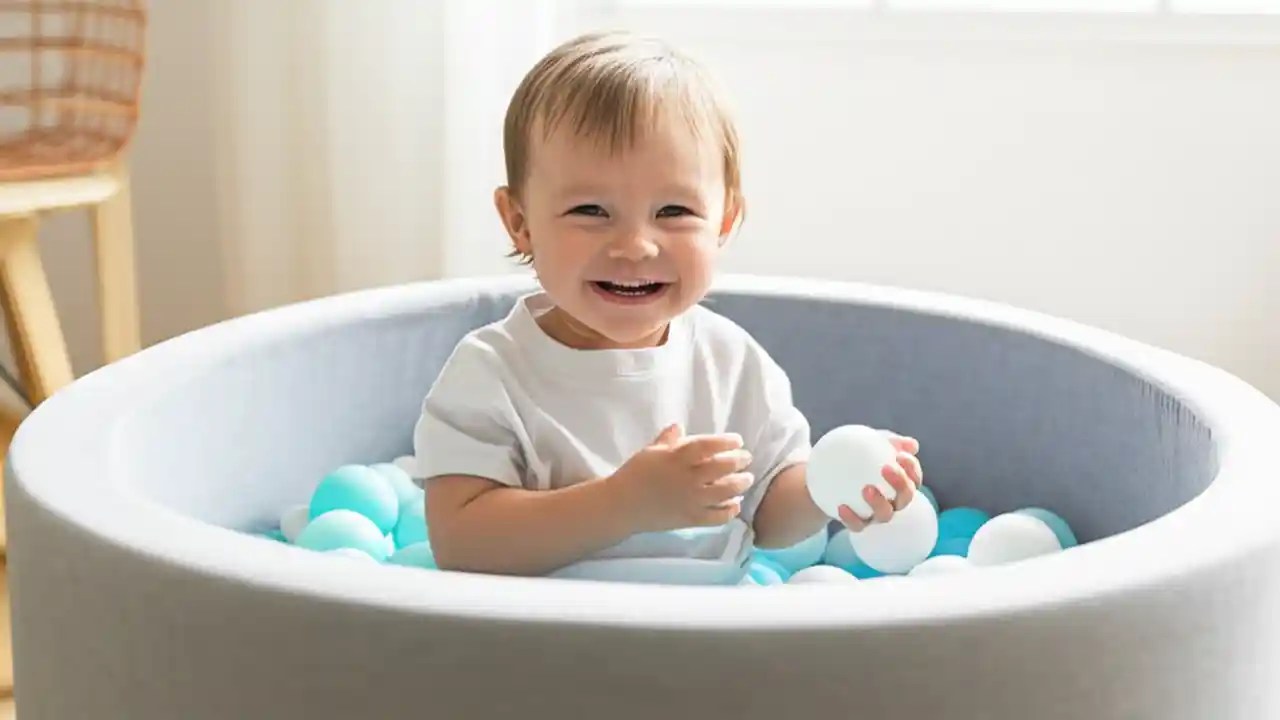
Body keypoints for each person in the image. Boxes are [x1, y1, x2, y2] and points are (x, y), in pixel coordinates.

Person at [414, 31, 923, 580]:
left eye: (674, 210)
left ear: (724, 221)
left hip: (709, 637)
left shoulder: (730, 362)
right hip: (547, 642)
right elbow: (460, 542)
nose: (635, 244)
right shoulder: (492, 372)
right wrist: (622, 503)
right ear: (520, 222)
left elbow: (769, 517)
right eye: (590, 209)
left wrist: (835, 484)